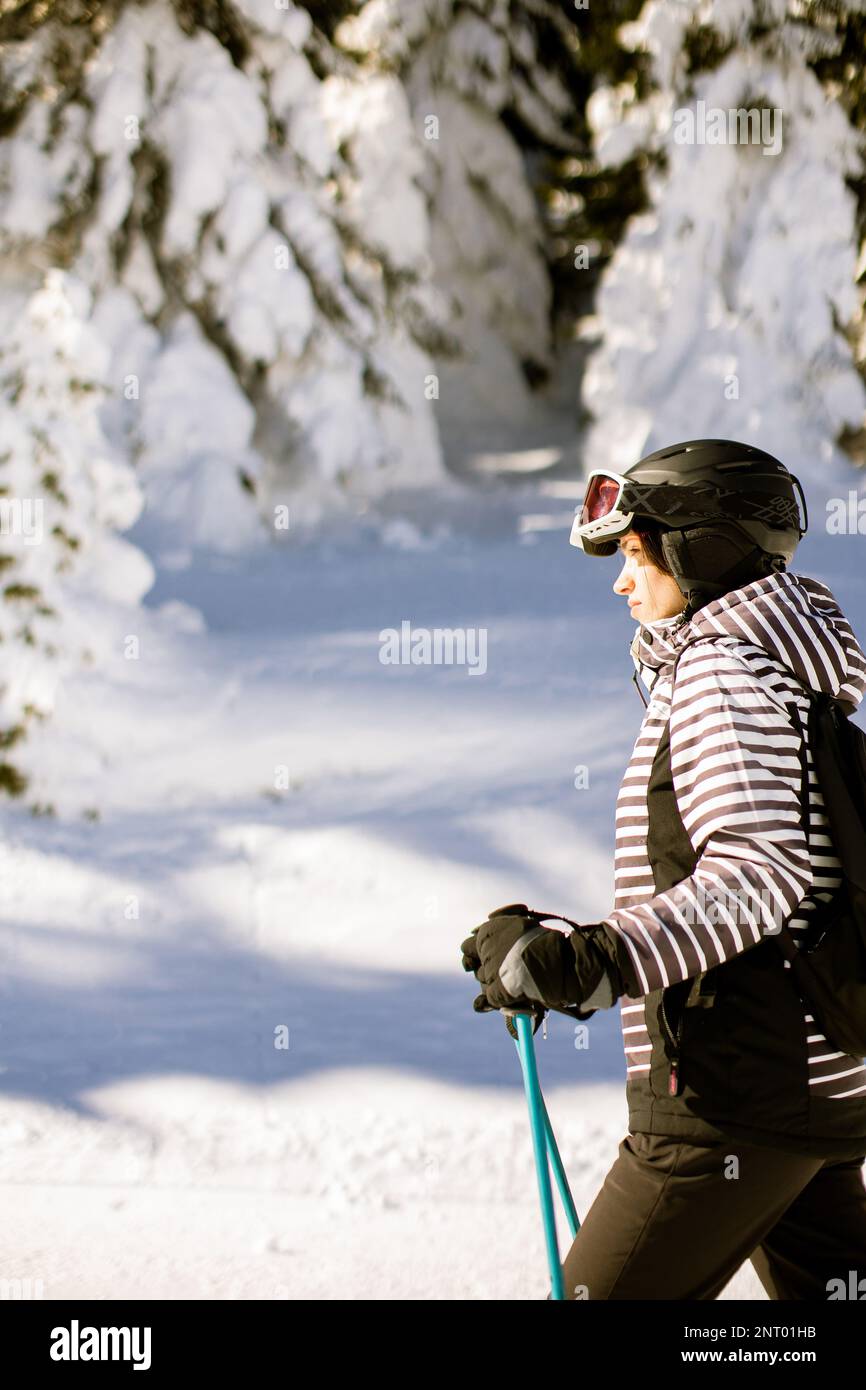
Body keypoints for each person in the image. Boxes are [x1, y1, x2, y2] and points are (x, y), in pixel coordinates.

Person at [461, 438, 866, 1299]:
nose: (621, 582)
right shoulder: (779, 672)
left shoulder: (723, 671)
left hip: (732, 1093)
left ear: (699, 549)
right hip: (806, 1089)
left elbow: (758, 873)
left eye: (637, 555)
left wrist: (593, 961)